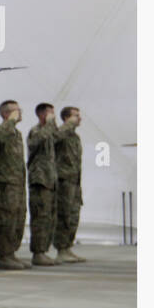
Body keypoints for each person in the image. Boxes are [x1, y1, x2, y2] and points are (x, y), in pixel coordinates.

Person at [0, 100, 27, 269]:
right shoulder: (1, 130)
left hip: (18, 184)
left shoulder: (16, 133)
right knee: (6, 220)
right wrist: (10, 121)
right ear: (6, 114)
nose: (20, 113)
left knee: (18, 219)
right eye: (15, 111)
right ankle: (4, 255)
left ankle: (12, 253)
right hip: (6, 185)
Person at [27, 102, 59, 266]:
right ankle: (38, 252)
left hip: (49, 180)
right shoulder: (37, 131)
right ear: (42, 115)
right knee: (40, 218)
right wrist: (50, 124)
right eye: (50, 114)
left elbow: (60, 137)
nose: (53, 117)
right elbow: (35, 143)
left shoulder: (50, 131)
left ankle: (43, 250)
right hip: (40, 180)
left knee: (49, 218)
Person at [53, 106, 85, 263]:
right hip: (64, 181)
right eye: (75, 116)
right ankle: (61, 248)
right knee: (63, 215)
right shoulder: (61, 132)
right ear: (66, 118)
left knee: (73, 215)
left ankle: (67, 247)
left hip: (74, 181)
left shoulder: (74, 137)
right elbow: (54, 139)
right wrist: (68, 125)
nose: (79, 118)